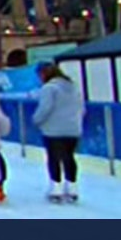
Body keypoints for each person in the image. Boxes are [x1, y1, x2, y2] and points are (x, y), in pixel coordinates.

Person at [32, 62, 85, 203]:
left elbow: (45, 108)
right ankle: (72, 187)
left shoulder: (49, 88)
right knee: (69, 157)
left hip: (53, 130)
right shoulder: (73, 87)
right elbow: (82, 107)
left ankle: (56, 188)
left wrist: (36, 120)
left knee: (54, 158)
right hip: (73, 128)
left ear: (44, 74)